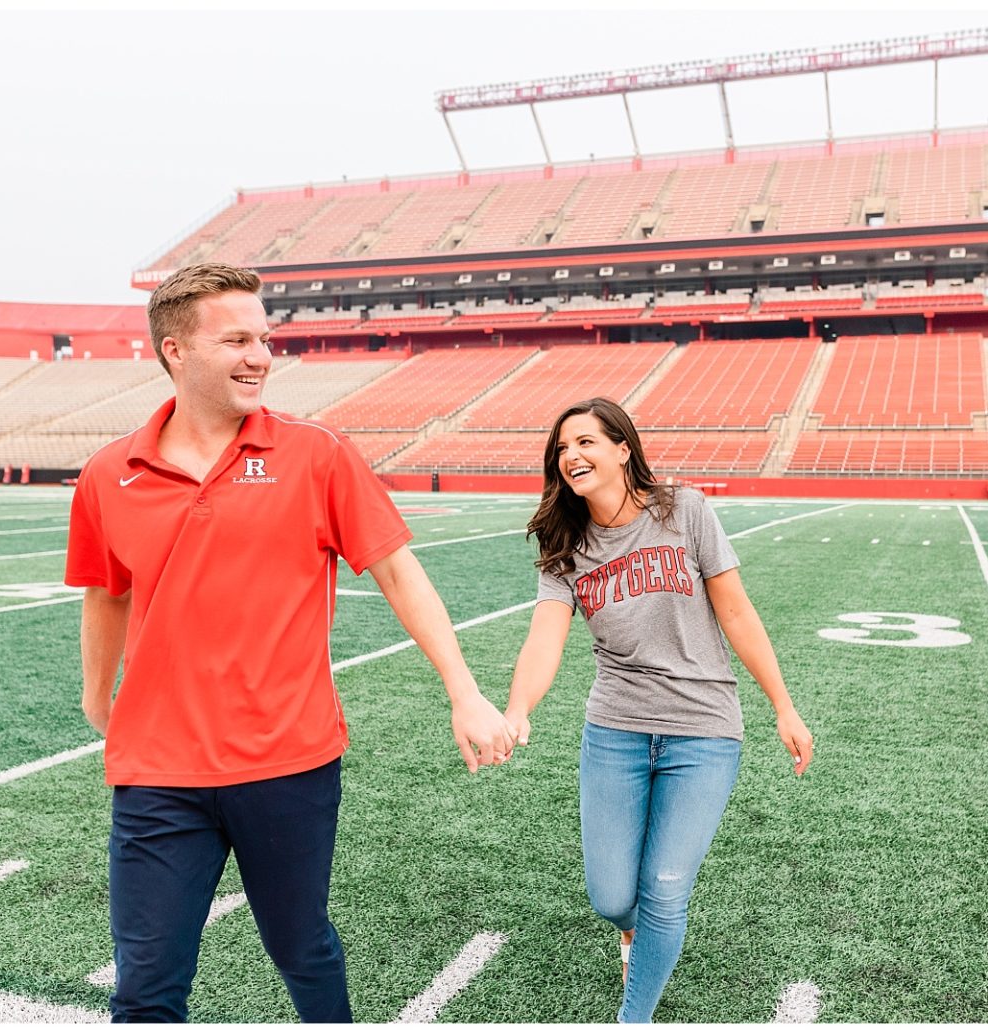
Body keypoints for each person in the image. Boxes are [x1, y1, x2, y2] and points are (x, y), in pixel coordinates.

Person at [66, 262, 515, 1023]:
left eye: (265, 339)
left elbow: (399, 574)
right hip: (156, 767)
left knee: (301, 945)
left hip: (289, 760)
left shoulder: (317, 453)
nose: (261, 357)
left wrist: (464, 691)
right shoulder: (111, 473)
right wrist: (95, 692)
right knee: (144, 988)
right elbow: (107, 591)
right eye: (237, 340)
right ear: (176, 350)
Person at [504, 397, 814, 1023]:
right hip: (615, 729)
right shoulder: (566, 542)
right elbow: (545, 637)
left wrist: (783, 706)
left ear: (623, 449)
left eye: (586, 442)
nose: (571, 456)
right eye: (562, 448)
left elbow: (735, 611)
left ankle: (634, 1018)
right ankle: (629, 934)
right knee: (612, 896)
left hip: (703, 730)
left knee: (666, 890)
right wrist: (517, 710)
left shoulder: (685, 510)